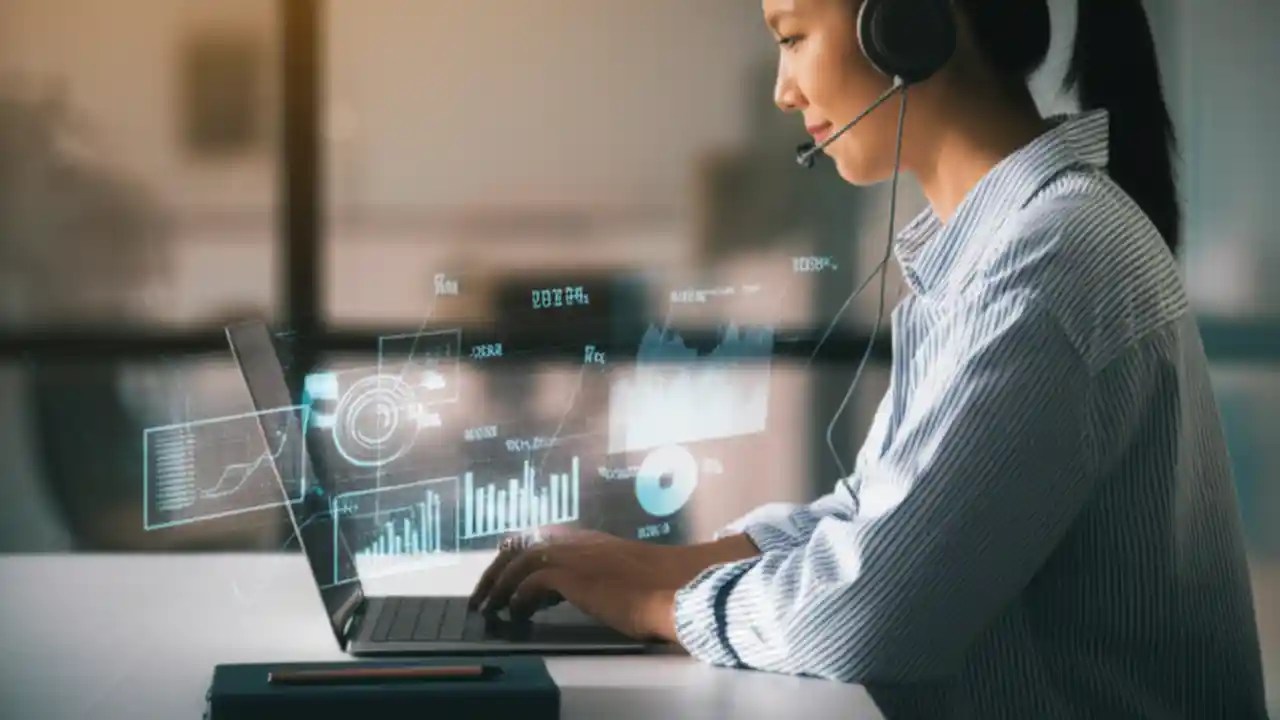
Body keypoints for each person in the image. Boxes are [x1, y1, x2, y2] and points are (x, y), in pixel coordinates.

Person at [470, 0, 1269, 716]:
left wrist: (649, 603)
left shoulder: (1051, 261)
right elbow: (873, 513)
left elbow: (868, 616)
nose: (783, 90)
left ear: (904, 24)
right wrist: (658, 565)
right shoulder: (998, 249)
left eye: (791, 37)